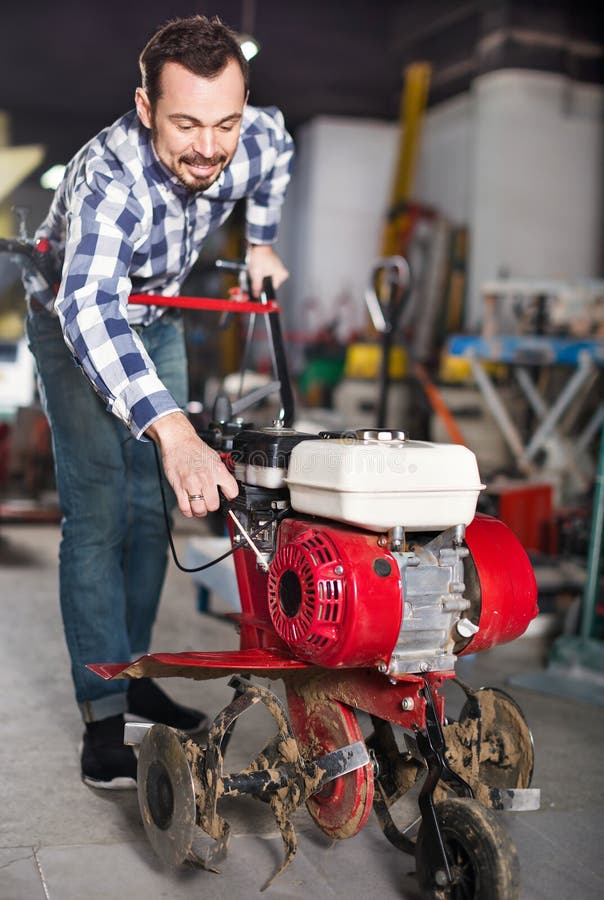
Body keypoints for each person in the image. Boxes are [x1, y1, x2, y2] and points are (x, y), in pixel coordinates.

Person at [24, 15, 294, 789]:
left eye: (224, 123)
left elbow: (277, 157)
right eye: (184, 123)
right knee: (102, 508)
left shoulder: (253, 139)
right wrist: (172, 428)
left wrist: (263, 242)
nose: (208, 146)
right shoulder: (110, 179)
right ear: (145, 109)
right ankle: (104, 717)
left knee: (152, 510)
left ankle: (133, 671)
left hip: (161, 313)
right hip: (73, 321)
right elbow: (92, 313)